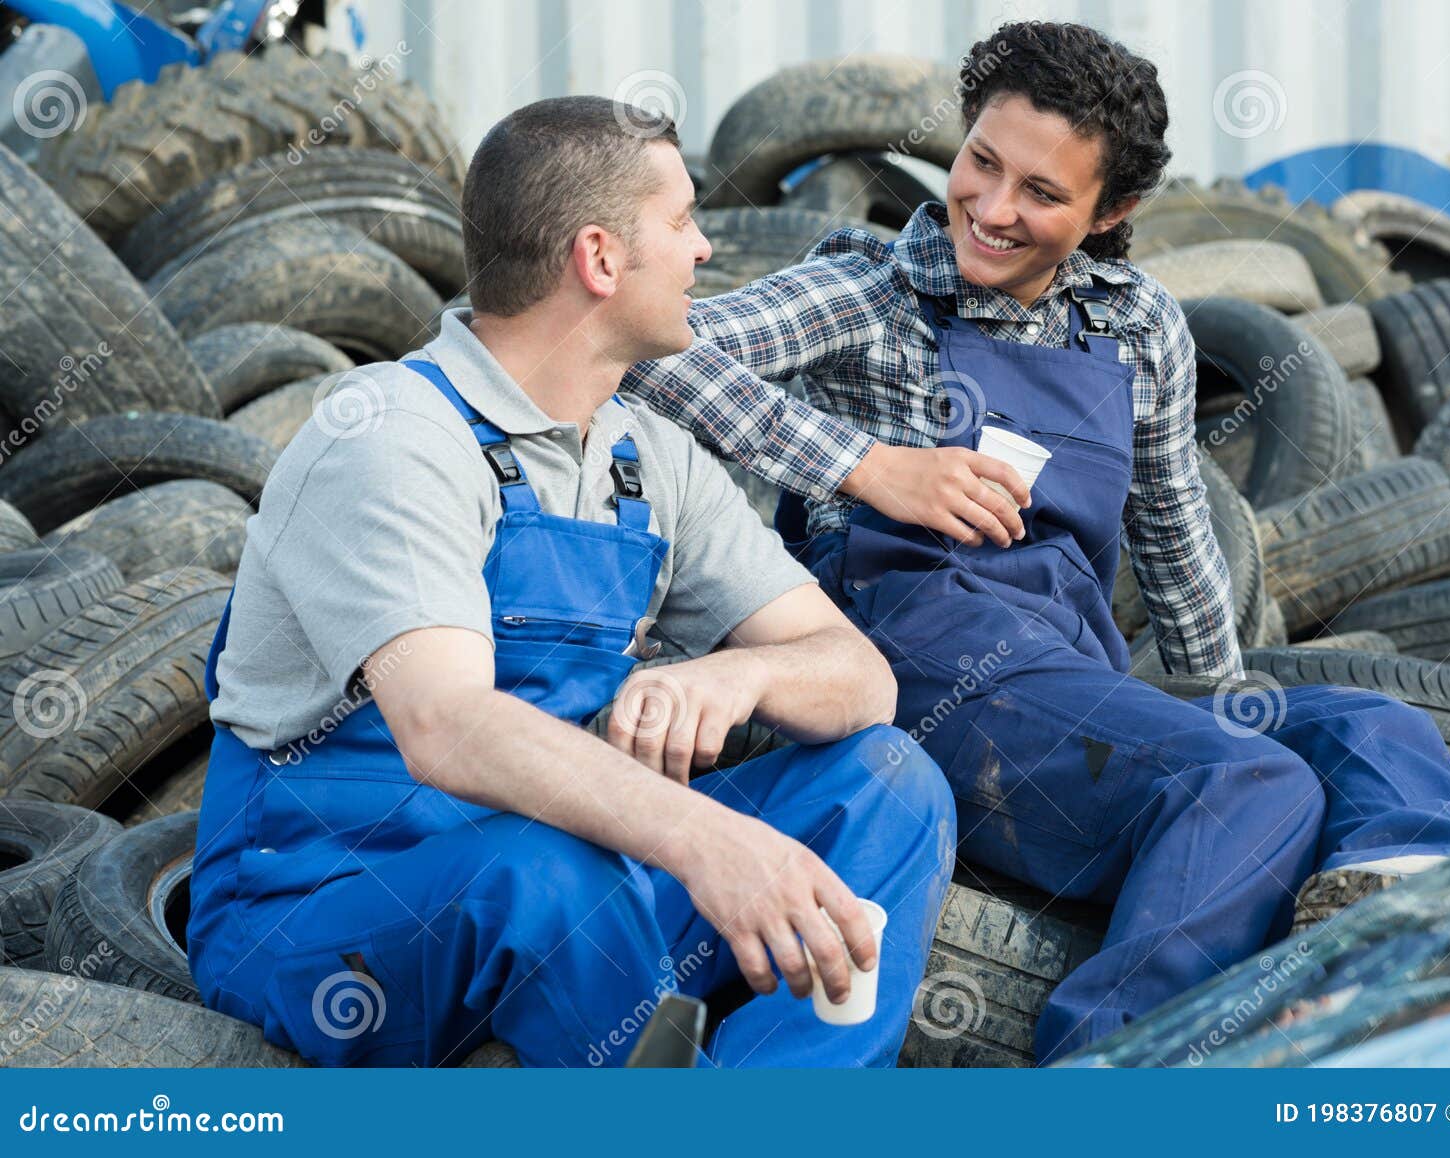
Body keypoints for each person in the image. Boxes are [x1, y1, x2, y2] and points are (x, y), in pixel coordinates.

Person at [622, 21, 1450, 1063]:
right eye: (980, 163)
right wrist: (867, 466)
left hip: (1064, 674)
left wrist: (1230, 702)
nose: (990, 210)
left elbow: (1174, 537)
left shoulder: (1135, 327)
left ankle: (1406, 978)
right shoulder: (868, 294)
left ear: (1110, 211)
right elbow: (635, 349)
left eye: (1040, 193)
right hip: (920, 665)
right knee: (1248, 789)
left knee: (1369, 731)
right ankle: (1107, 1072)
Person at [185, 96, 957, 1069]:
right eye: (680, 222)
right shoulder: (387, 439)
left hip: (583, 886)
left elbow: (864, 681)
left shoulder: (648, 457)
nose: (705, 251)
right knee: (542, 874)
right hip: (330, 918)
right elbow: (447, 726)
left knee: (888, 783)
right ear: (598, 258)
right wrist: (703, 840)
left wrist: (738, 679)